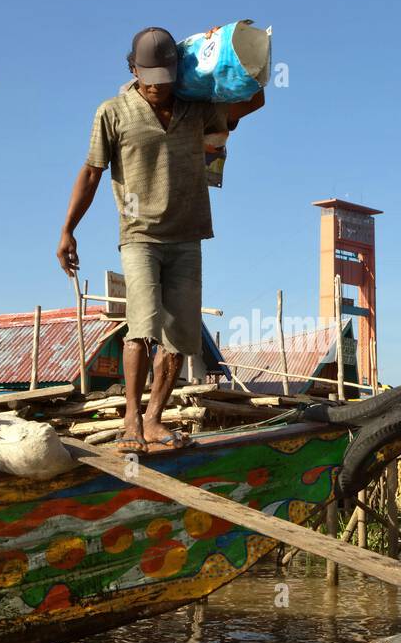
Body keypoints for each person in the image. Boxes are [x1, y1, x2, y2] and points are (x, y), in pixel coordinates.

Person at [56, 27, 264, 452]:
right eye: (148, 76)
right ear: (133, 68)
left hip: (188, 236)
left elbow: (254, 100)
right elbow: (92, 172)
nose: (156, 86)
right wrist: (67, 229)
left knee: (178, 337)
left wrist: (254, 61)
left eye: (165, 77)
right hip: (140, 235)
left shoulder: (196, 109)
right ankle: (131, 421)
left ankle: (153, 419)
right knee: (142, 326)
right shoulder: (112, 113)